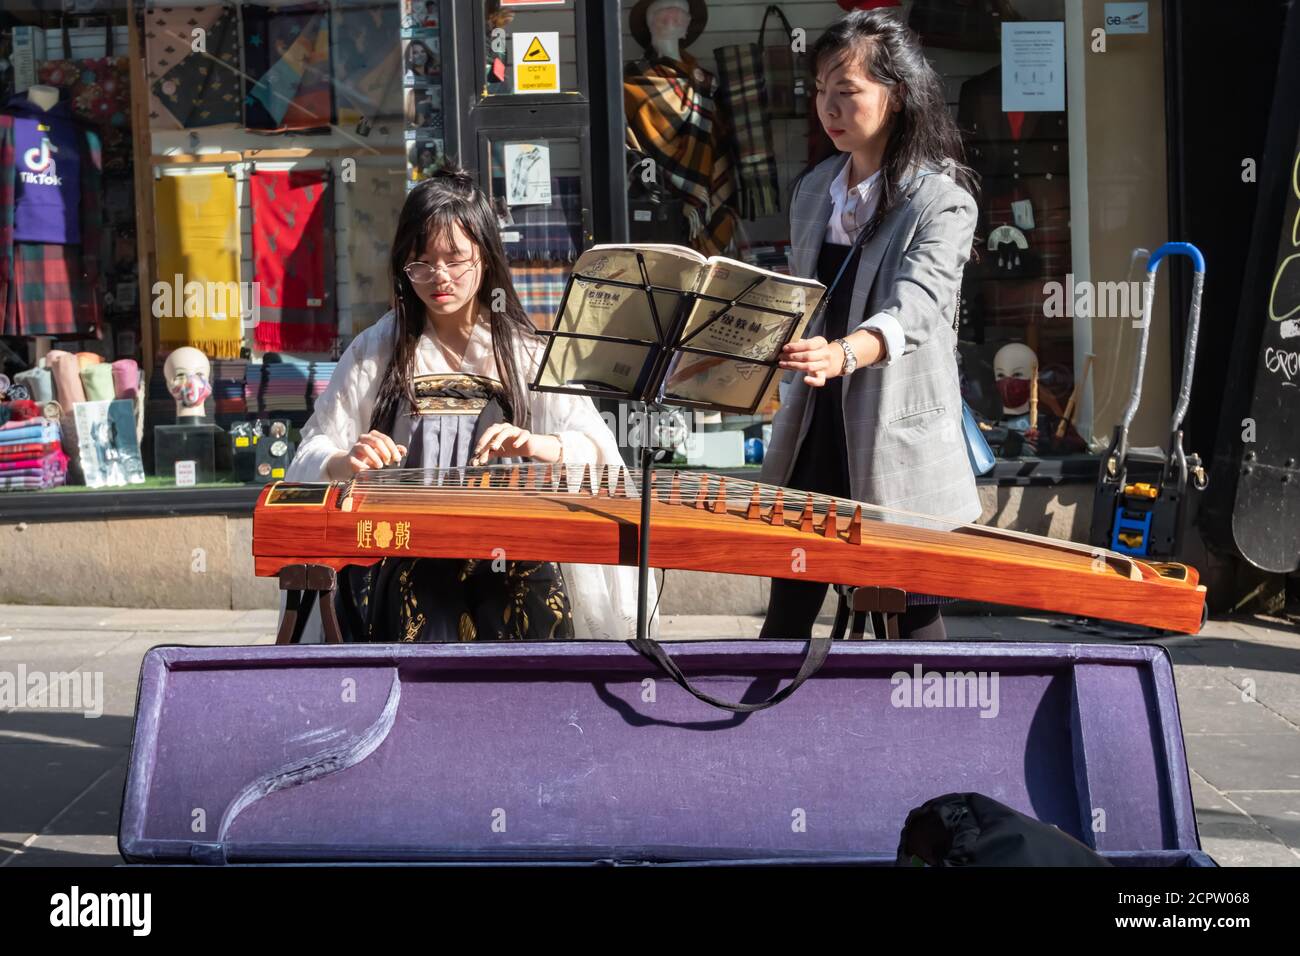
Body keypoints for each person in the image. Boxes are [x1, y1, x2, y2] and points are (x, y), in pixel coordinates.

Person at [284, 164, 650, 643]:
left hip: (511, 550)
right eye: (421, 262)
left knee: (525, 606)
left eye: (455, 258)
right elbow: (311, 451)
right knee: (425, 600)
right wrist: (342, 459)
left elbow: (595, 446)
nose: (439, 276)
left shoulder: (523, 352)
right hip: (403, 554)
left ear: (485, 255)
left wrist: (542, 445)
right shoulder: (376, 350)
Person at [758, 9, 982, 642]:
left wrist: (844, 352)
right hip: (813, 430)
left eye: (847, 91)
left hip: (894, 434)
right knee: (787, 614)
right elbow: (803, 300)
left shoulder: (941, 200)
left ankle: (927, 739)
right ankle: (764, 739)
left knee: (909, 620)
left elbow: (919, 306)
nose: (829, 108)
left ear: (898, 95)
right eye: (820, 93)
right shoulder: (813, 191)